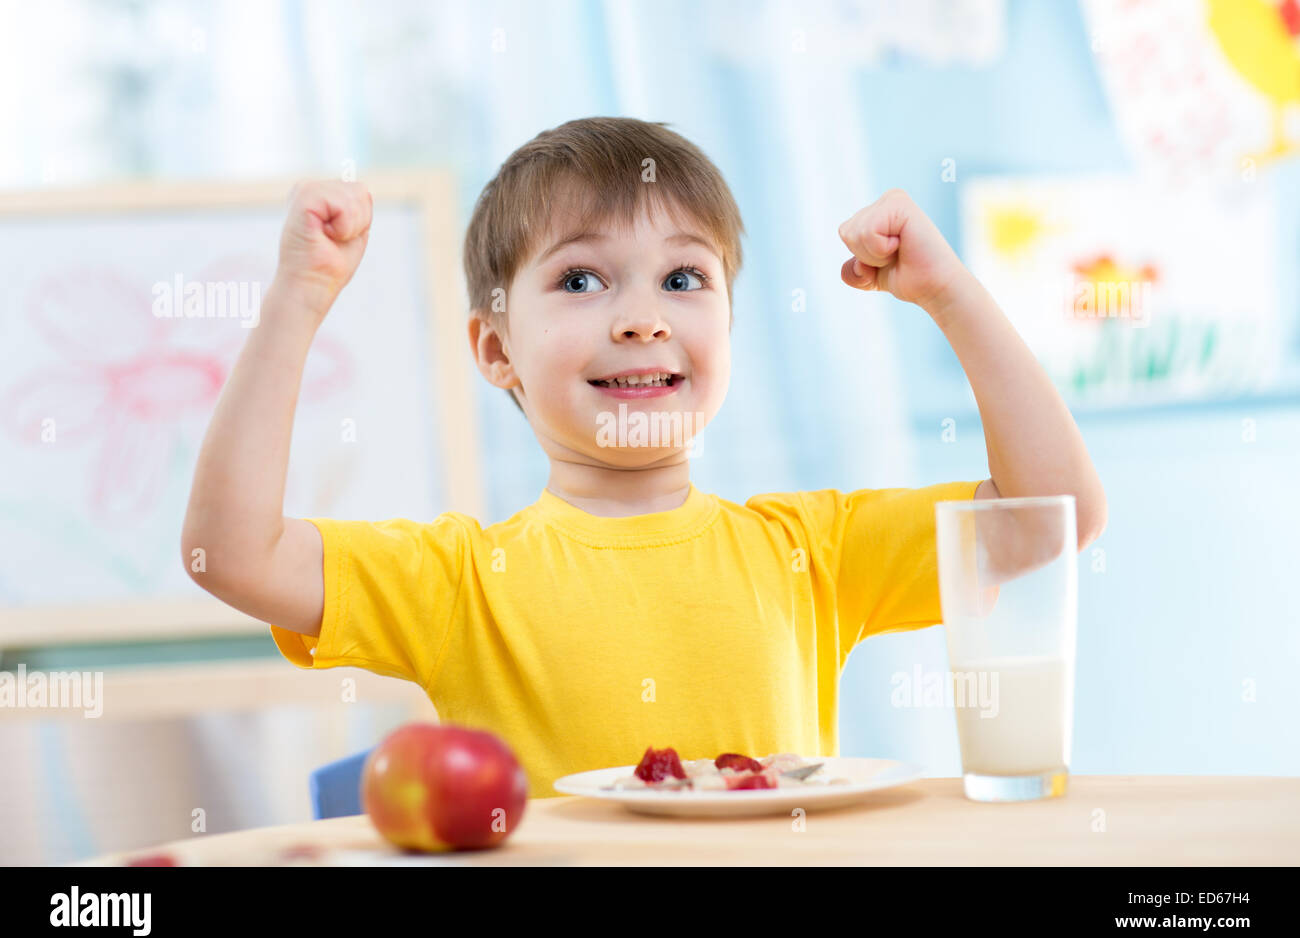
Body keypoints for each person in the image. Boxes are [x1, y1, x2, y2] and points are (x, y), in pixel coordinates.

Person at [182, 117, 1106, 799]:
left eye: (683, 279)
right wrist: (298, 300)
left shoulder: (810, 552)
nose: (642, 316)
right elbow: (230, 554)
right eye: (581, 280)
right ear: (496, 349)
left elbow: (1054, 513)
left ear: (729, 330)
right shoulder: (460, 578)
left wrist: (949, 294)